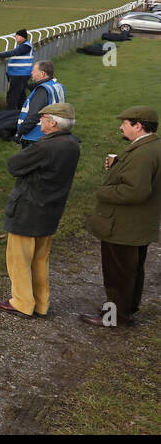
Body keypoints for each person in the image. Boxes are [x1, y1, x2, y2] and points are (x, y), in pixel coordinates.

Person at [0, 103, 81, 318]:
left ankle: (22, 302)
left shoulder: (46, 147)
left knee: (19, 259)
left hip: (28, 209)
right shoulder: (72, 144)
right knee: (40, 259)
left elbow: (14, 165)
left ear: (53, 122)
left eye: (43, 118)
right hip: (51, 209)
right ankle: (41, 303)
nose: (40, 121)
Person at [81, 106, 161, 327]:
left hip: (124, 226)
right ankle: (126, 310)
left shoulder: (143, 154)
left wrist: (103, 191)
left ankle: (114, 318)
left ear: (138, 125)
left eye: (125, 123)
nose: (120, 126)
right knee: (132, 273)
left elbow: (135, 191)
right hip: (138, 225)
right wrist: (118, 166)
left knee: (118, 276)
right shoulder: (151, 147)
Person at [14, 61, 66, 149]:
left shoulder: (42, 90)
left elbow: (34, 116)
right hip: (52, 134)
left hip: (35, 137)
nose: (31, 73)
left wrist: (20, 133)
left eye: (34, 71)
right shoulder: (57, 86)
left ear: (42, 74)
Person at [0, 29, 33, 110]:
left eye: (17, 36)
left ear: (22, 37)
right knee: (20, 95)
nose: (16, 38)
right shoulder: (23, 46)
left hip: (20, 74)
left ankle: (9, 113)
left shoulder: (26, 46)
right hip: (19, 74)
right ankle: (20, 111)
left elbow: (14, 53)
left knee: (13, 95)